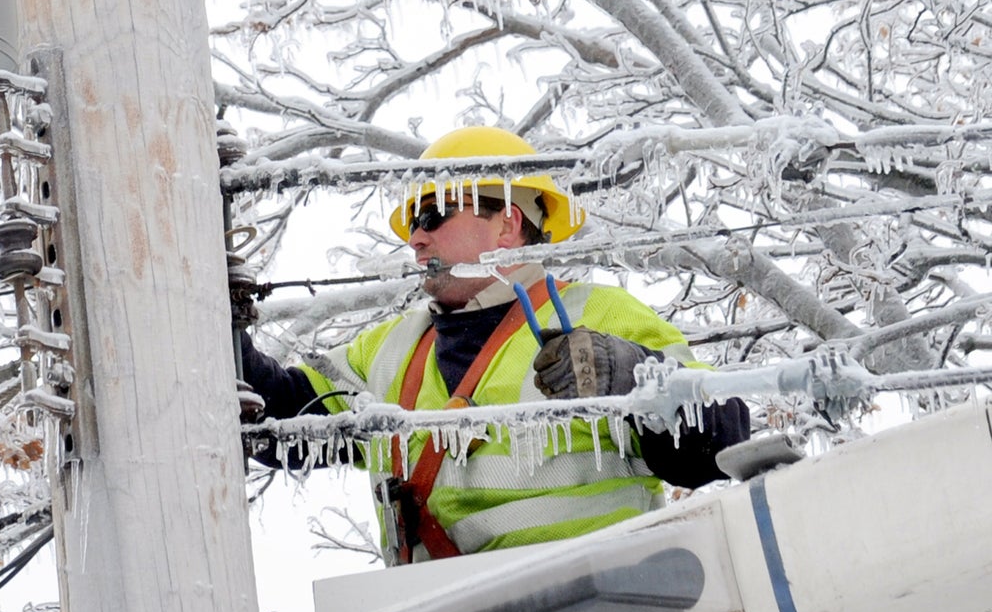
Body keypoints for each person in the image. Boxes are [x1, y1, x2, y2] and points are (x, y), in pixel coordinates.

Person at [239, 126, 750, 565]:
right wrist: (216, 322)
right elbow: (280, 417)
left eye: (433, 214)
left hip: (604, 610)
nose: (416, 238)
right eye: (413, 223)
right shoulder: (388, 351)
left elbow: (722, 439)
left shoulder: (601, 315)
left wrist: (633, 374)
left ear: (507, 222)